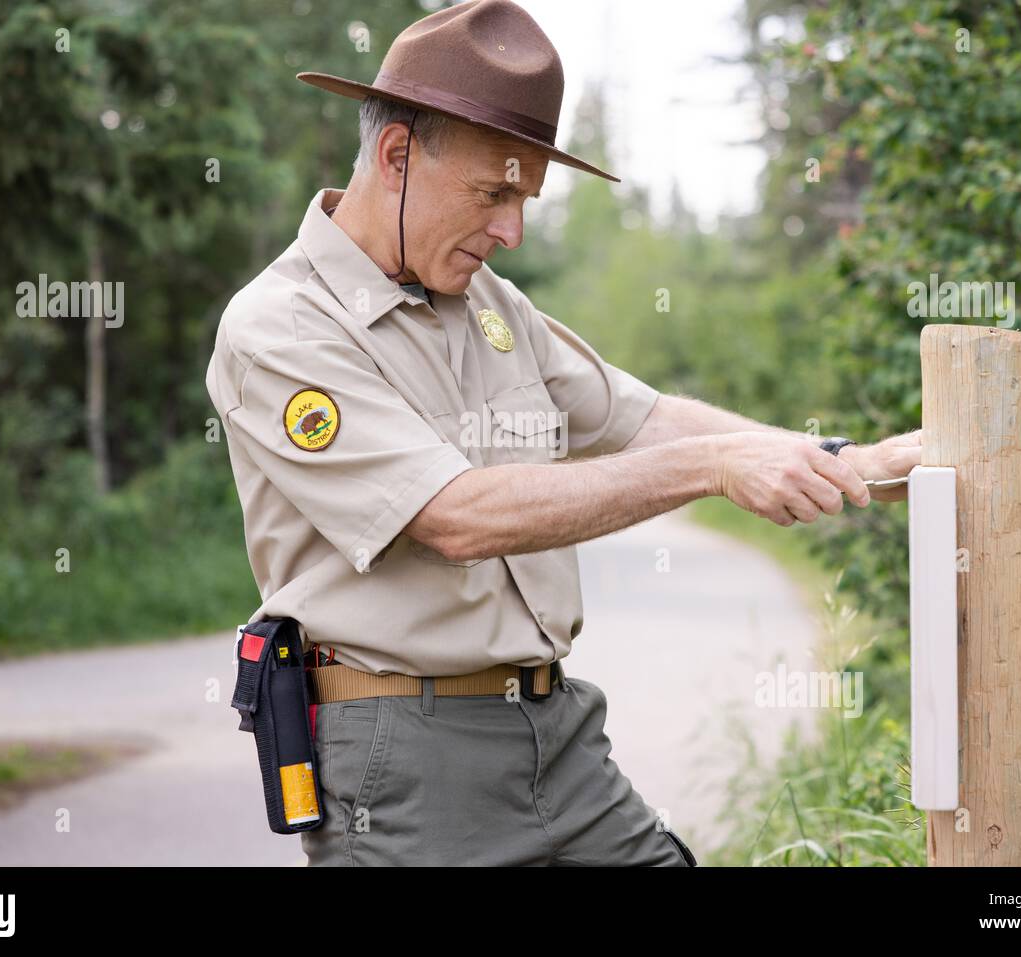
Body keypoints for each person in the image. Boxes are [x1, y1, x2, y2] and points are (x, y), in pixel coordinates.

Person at [205, 0, 921, 866]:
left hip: (560, 735)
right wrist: (716, 467)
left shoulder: (490, 305)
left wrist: (842, 459)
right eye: (494, 192)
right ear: (396, 155)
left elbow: (641, 418)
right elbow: (453, 516)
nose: (510, 230)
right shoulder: (282, 326)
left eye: (527, 199)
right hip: (406, 763)